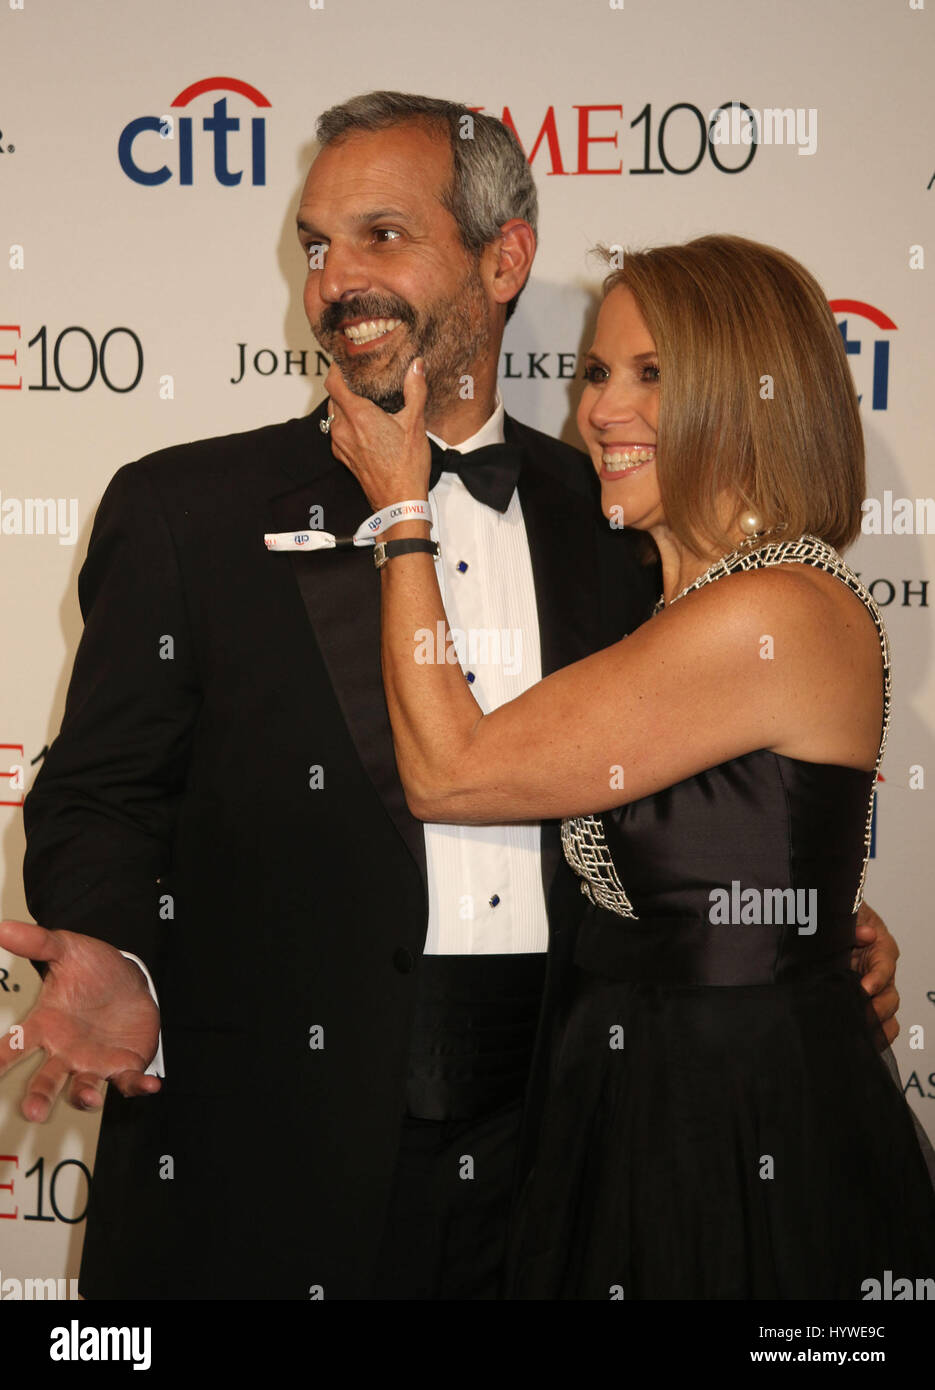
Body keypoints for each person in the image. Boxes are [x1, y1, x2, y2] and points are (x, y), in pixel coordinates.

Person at [0, 95, 898, 1301]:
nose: (334, 280)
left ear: (503, 257)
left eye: (380, 235)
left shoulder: (623, 523)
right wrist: (117, 954)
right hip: (275, 1153)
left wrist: (793, 926)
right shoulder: (186, 510)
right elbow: (97, 798)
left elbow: (713, 774)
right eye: (316, 244)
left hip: (568, 1142)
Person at [323, 232, 935, 1299]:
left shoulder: (772, 608)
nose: (600, 411)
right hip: (635, 1093)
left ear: (752, 393)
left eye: (653, 375)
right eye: (596, 373)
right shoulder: (680, 606)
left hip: (727, 1119)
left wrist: (402, 509)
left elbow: (452, 771)